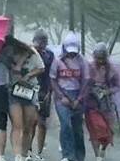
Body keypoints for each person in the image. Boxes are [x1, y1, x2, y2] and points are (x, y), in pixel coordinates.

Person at [50, 32, 89, 161]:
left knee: (77, 127)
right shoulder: (57, 61)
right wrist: (61, 96)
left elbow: (85, 81)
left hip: (78, 95)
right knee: (66, 124)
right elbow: (53, 79)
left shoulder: (82, 61)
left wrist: (79, 99)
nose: (72, 54)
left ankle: (79, 155)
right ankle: (67, 155)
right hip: (62, 96)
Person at [7, 36, 44, 161]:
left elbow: (41, 68)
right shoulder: (11, 54)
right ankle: (17, 155)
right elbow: (14, 71)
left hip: (30, 90)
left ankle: (24, 153)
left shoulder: (34, 54)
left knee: (29, 124)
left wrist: (29, 74)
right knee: (17, 124)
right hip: (15, 91)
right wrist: (20, 60)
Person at [85, 43, 120, 161]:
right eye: (98, 57)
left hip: (106, 104)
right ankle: (97, 157)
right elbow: (84, 84)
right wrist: (91, 90)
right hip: (92, 104)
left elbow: (117, 86)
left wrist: (107, 91)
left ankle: (103, 149)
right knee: (96, 130)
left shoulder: (111, 69)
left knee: (108, 131)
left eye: (102, 57)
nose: (100, 60)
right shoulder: (89, 67)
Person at [28, 29, 55, 161]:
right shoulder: (28, 53)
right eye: (39, 43)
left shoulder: (49, 55)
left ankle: (39, 152)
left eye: (43, 43)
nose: (41, 45)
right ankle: (28, 150)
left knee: (42, 123)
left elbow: (51, 75)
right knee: (32, 122)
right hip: (30, 89)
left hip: (44, 90)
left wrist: (50, 91)